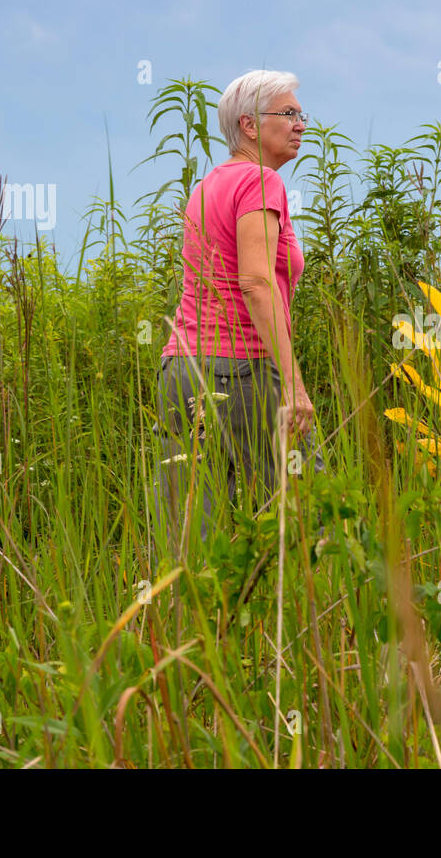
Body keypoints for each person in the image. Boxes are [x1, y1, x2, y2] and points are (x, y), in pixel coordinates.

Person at [152, 69, 321, 553]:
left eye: (299, 114)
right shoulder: (261, 181)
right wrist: (292, 381)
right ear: (249, 125)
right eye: (288, 114)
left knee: (192, 540)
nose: (300, 124)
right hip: (242, 372)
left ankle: (192, 627)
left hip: (181, 370)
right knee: (313, 519)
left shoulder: (206, 187)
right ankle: (305, 625)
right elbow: (256, 282)